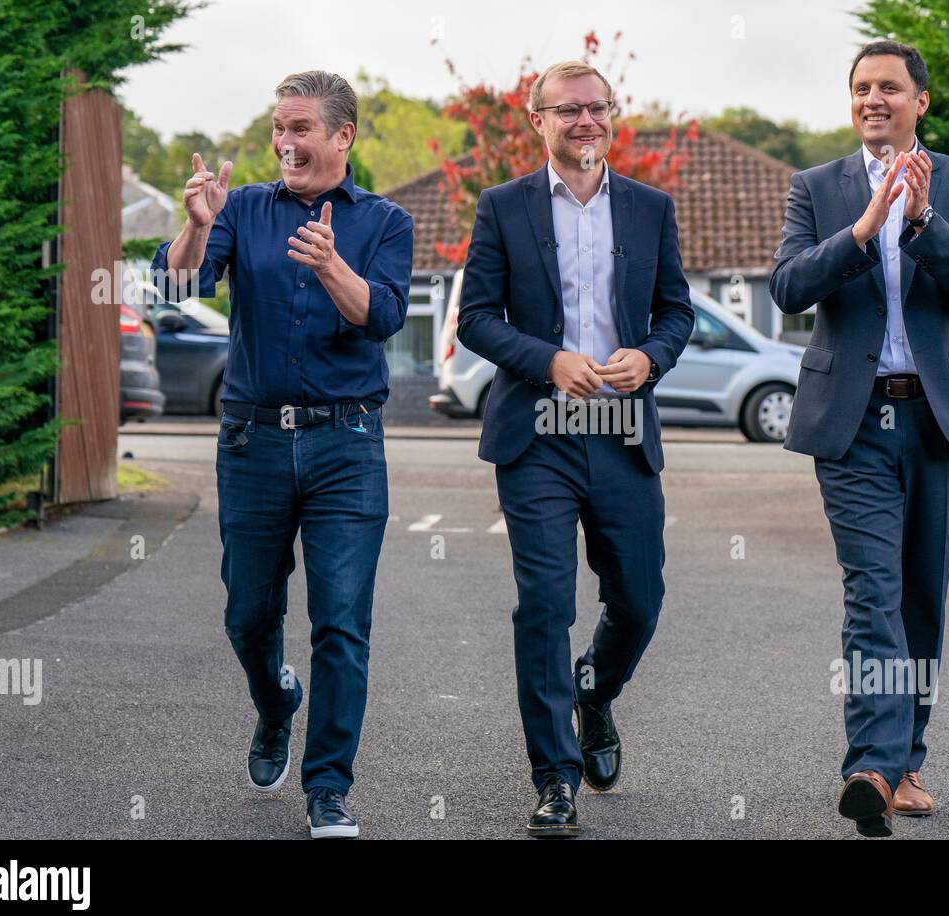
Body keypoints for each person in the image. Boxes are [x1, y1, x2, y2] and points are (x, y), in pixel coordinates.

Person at [151, 70, 413, 839]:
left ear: (343, 136)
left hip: (347, 445)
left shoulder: (386, 222)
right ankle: (275, 703)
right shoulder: (241, 209)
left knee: (340, 623)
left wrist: (332, 263)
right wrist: (198, 224)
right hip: (253, 441)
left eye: (301, 128)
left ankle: (328, 789)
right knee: (247, 614)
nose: (286, 143)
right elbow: (175, 284)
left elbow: (384, 318)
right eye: (278, 128)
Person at [456, 60, 694, 837]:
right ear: (539, 121)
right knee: (546, 606)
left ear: (613, 115)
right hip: (539, 437)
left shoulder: (651, 208)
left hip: (622, 435)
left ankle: (594, 695)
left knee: (639, 600)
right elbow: (477, 319)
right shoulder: (502, 207)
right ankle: (553, 777)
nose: (585, 121)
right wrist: (547, 359)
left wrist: (651, 357)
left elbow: (677, 313)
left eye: (597, 108)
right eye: (568, 111)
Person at [769, 41, 949, 837]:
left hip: (938, 419)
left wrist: (923, 220)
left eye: (890, 88)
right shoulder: (816, 187)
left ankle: (905, 764)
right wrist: (864, 230)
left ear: (919, 102)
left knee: (922, 596)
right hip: (854, 420)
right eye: (862, 88)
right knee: (873, 592)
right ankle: (869, 764)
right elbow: (789, 287)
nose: (874, 99)